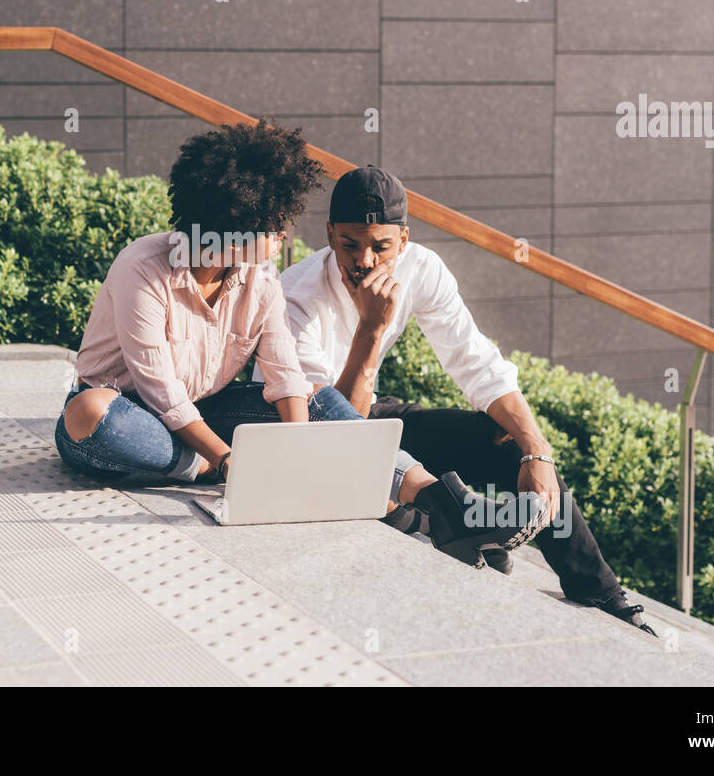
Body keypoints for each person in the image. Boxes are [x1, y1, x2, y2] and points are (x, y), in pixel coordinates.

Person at [55, 121, 541, 561]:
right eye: (274, 226)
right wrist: (230, 461)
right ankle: (210, 467)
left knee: (316, 395)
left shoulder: (259, 277)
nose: (285, 234)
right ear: (235, 227)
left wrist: (298, 450)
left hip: (212, 410)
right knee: (90, 413)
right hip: (132, 413)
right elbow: (161, 392)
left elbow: (286, 376)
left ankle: (442, 503)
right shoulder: (143, 268)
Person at [258, 164, 657, 636]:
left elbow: (477, 364)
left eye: (380, 247)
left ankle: (599, 590)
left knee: (506, 441)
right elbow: (336, 433)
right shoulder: (295, 297)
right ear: (329, 235)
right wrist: (370, 327)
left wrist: (536, 449)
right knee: (367, 460)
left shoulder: (422, 270)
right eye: (350, 244)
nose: (364, 260)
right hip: (309, 433)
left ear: (403, 240)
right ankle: (444, 525)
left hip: (371, 411)